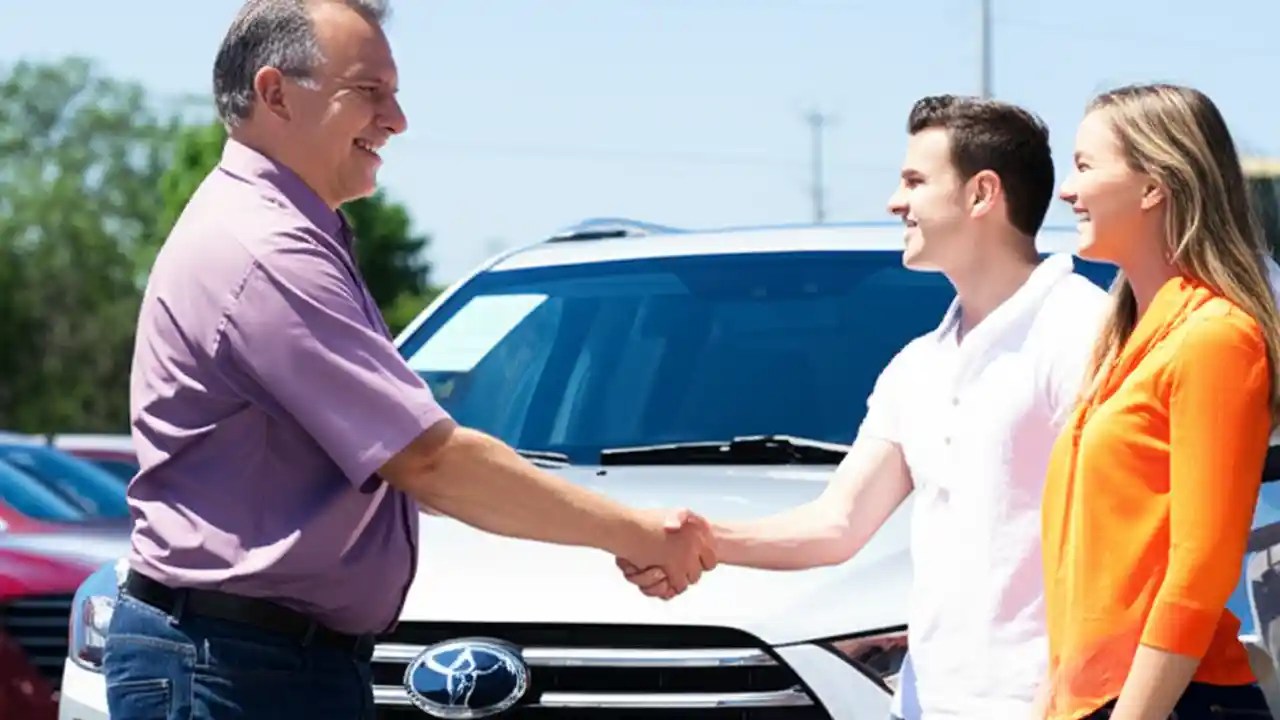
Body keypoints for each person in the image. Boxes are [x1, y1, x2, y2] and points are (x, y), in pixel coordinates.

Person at [104, 1, 713, 718]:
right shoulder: (265, 251)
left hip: (256, 659)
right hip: (236, 670)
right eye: (369, 91)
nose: (397, 120)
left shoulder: (286, 234)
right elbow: (428, 460)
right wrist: (635, 532)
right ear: (275, 94)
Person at [622, 95, 1110, 719]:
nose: (894, 201)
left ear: (981, 193)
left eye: (914, 180)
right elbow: (835, 525)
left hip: (1047, 704)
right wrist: (695, 539)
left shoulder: (1081, 332)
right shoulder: (918, 365)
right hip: (924, 704)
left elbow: (1126, 542)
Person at [1038, 83, 1280, 720]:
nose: (1067, 189)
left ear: (1153, 187)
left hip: (1174, 702)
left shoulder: (1216, 337)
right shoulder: (1123, 341)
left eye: (1086, 166)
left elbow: (1199, 570)